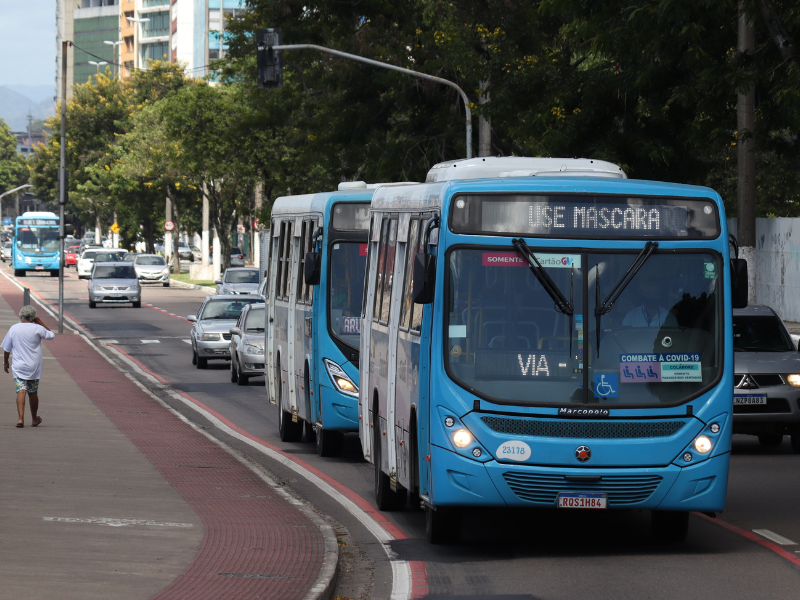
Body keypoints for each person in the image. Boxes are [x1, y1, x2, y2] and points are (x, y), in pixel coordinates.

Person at [2, 306, 55, 427]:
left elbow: (6, 348)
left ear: (21, 316)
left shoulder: (14, 328)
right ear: (33, 317)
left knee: (21, 391)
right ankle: (34, 419)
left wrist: (6, 363)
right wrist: (40, 322)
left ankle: (20, 419)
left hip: (19, 366)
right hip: (34, 366)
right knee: (33, 392)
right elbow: (51, 335)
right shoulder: (37, 328)